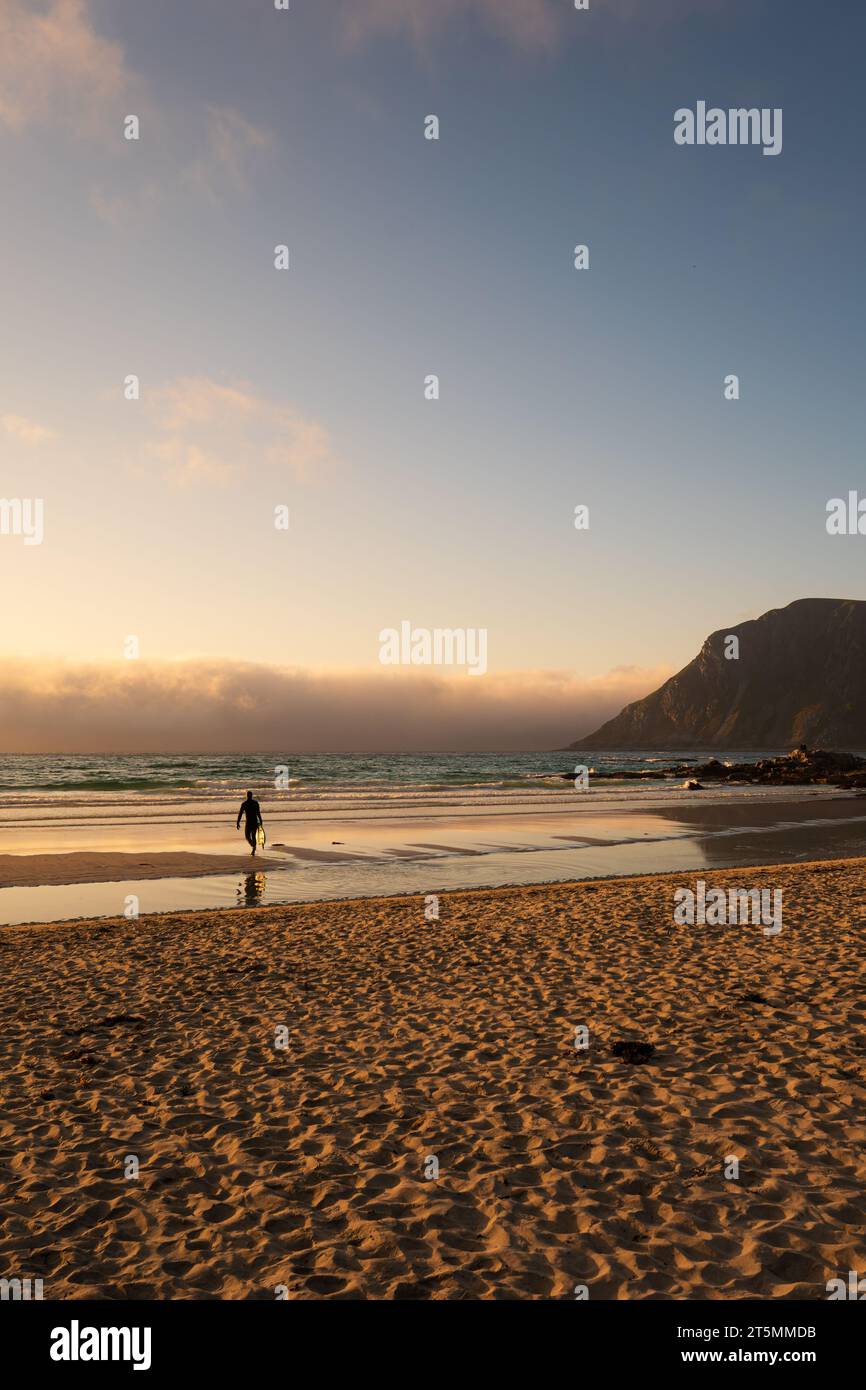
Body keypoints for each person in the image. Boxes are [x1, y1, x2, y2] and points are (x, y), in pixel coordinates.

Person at [236, 790, 264, 856]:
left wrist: (238, 822)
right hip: (254, 822)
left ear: (247, 796)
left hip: (249, 822)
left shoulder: (244, 804)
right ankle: (253, 846)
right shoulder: (255, 803)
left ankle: (253, 846)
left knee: (247, 836)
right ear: (251, 796)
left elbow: (240, 814)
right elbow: (258, 813)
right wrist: (260, 821)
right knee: (253, 836)